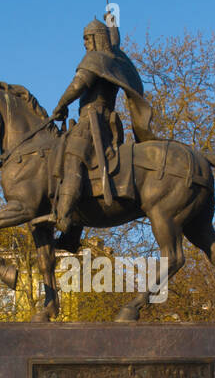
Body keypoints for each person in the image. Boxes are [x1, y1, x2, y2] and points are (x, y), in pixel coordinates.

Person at [47, 18, 157, 233]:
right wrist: (112, 21)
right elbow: (114, 42)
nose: (85, 44)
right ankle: (74, 231)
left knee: (73, 158)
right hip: (100, 122)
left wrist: (60, 105)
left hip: (93, 122)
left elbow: (78, 85)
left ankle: (64, 217)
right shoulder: (112, 59)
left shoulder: (96, 59)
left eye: (87, 39)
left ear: (97, 39)